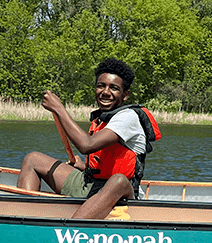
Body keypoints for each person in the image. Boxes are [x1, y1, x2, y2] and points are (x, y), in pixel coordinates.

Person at [18, 58, 161, 220]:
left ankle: (71, 231)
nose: (106, 92)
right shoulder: (103, 117)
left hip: (121, 192)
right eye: (101, 86)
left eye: (114, 88)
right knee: (32, 159)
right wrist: (84, 166)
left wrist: (59, 108)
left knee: (118, 180)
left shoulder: (129, 117)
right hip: (91, 184)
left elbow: (87, 145)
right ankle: (25, 221)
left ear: (125, 95)